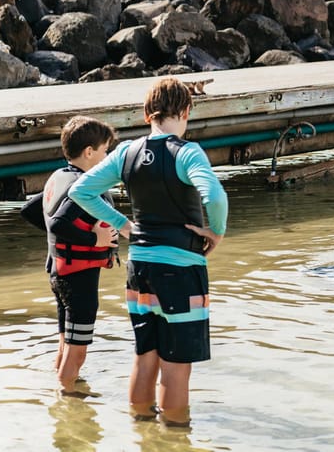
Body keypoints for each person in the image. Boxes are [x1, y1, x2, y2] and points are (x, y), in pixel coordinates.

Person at [69, 76, 228, 426]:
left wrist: (123, 225)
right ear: (187, 111)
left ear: (146, 114)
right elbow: (215, 197)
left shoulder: (126, 152)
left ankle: (141, 432)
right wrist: (215, 232)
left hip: (139, 266)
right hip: (181, 270)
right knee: (175, 366)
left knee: (145, 357)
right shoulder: (187, 152)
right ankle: (173, 436)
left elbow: (81, 191)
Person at [20, 115, 120, 395]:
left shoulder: (61, 176)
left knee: (65, 342)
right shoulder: (83, 188)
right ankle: (70, 403)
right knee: (78, 351)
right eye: (105, 151)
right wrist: (93, 239)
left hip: (58, 272)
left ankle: (63, 387)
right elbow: (58, 223)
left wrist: (58, 242)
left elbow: (29, 210)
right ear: (89, 152)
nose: (107, 156)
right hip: (78, 279)